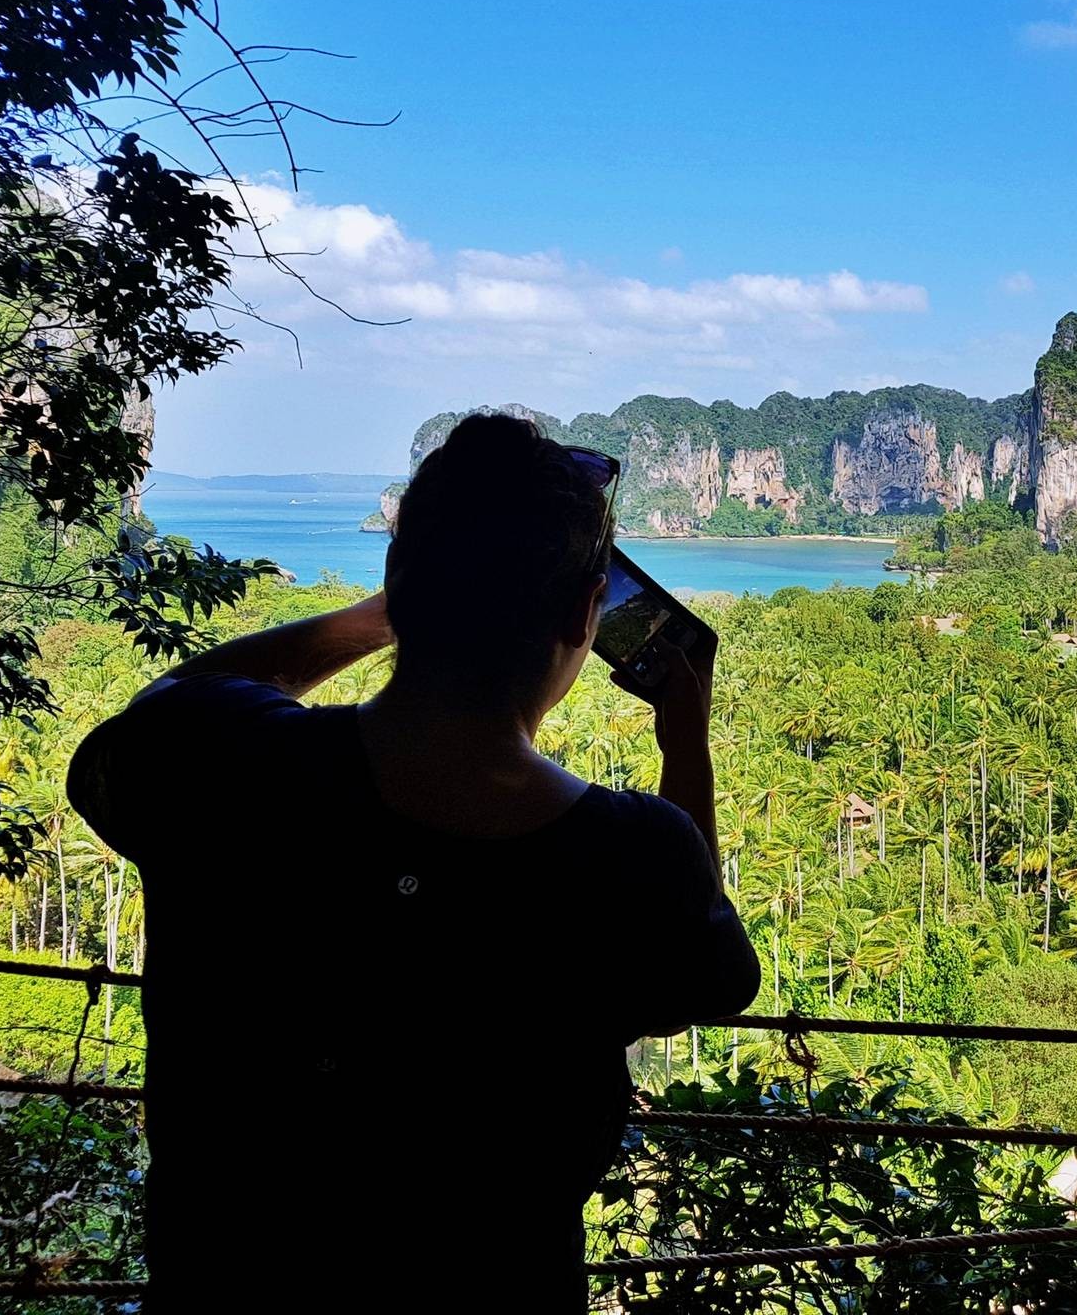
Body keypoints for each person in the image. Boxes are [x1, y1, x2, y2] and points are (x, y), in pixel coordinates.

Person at [68, 414, 760, 1309]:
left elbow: (168, 703)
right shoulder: (629, 851)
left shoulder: (227, 763)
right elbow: (699, 982)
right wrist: (686, 749)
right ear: (586, 614)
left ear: (400, 579)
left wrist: (379, 618)